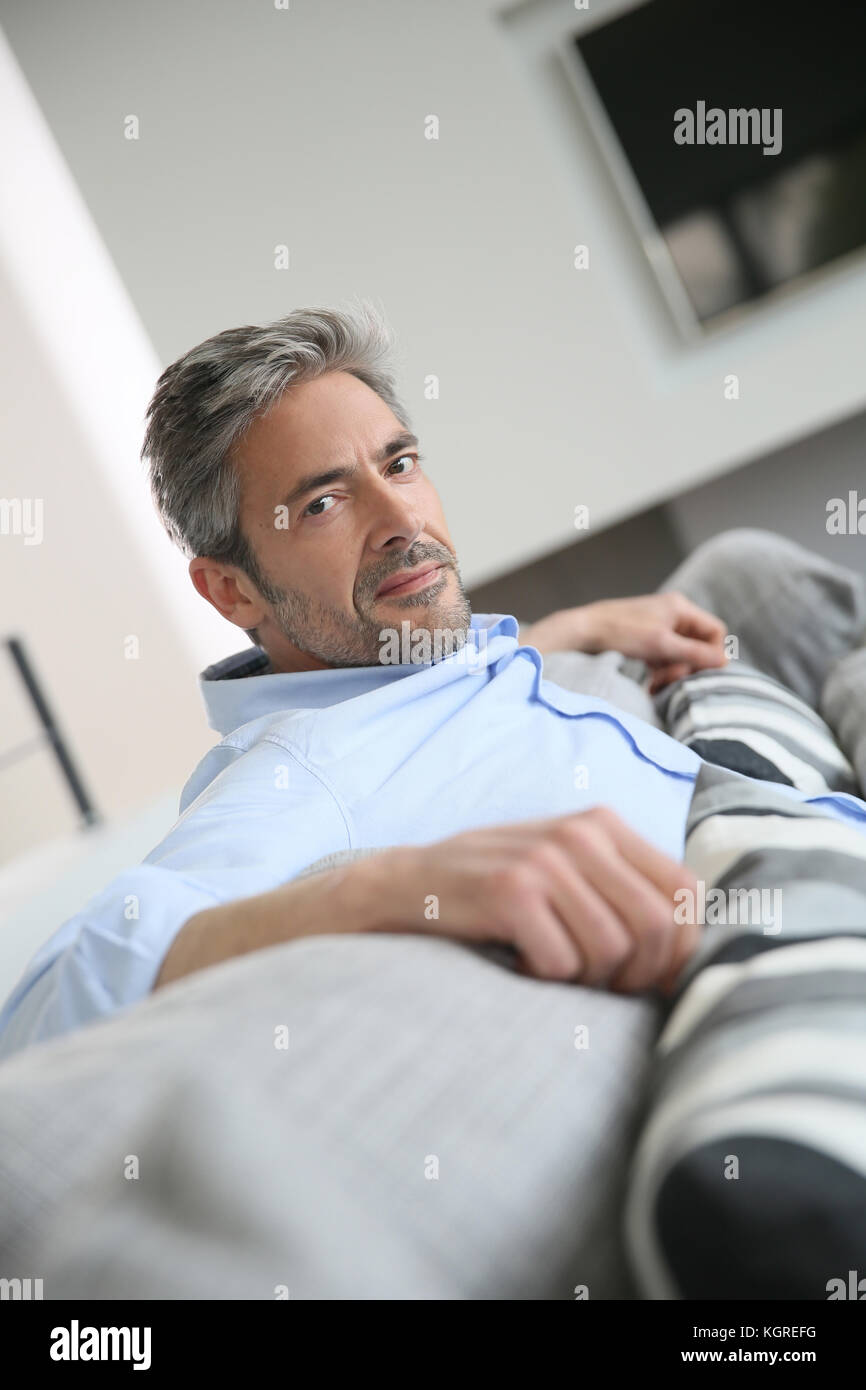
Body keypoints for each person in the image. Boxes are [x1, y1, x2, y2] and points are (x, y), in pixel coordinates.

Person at [2, 303, 865, 1059]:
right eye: (323, 505)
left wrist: (554, 634)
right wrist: (374, 889)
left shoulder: (403, 679)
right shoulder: (295, 778)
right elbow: (43, 1015)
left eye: (401, 463)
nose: (401, 520)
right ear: (231, 589)